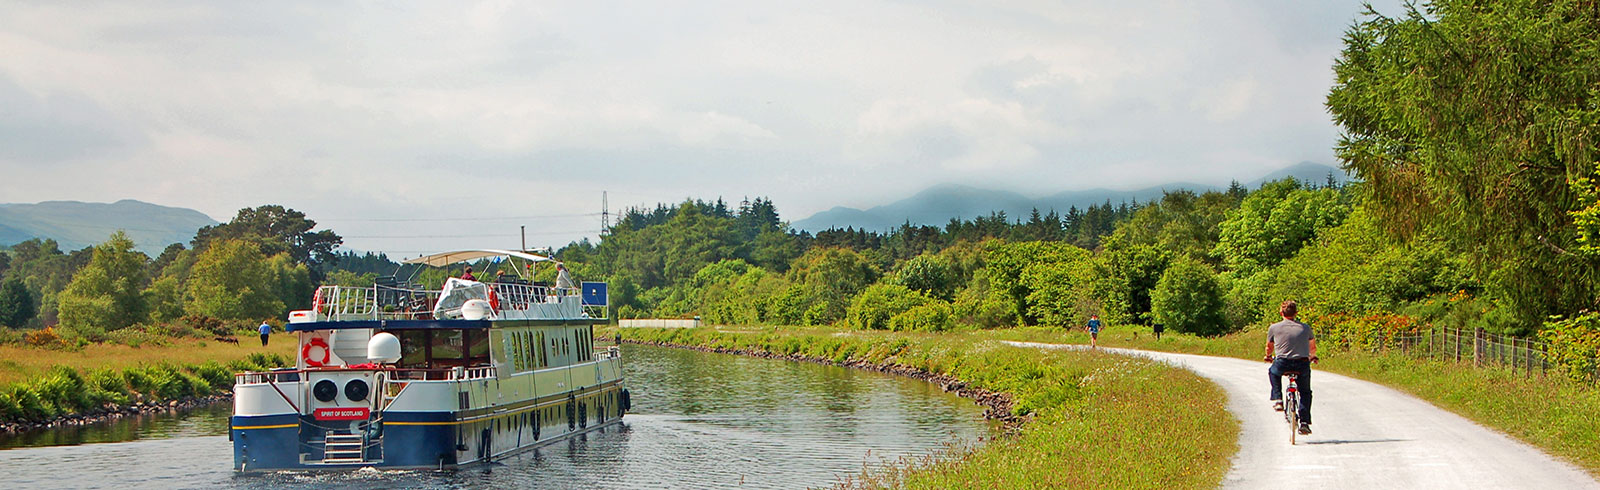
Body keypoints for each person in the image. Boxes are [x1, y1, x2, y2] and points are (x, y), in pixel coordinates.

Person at [1265, 300, 1318, 435]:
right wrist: (1312, 356)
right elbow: (1312, 347)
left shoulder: (1274, 328)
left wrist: (1268, 356)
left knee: (1273, 372)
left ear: (1281, 313)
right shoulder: (1305, 328)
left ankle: (1278, 399)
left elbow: (1269, 347)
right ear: (1296, 313)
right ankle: (1304, 422)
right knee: (1305, 392)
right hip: (1302, 363)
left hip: (1282, 363)